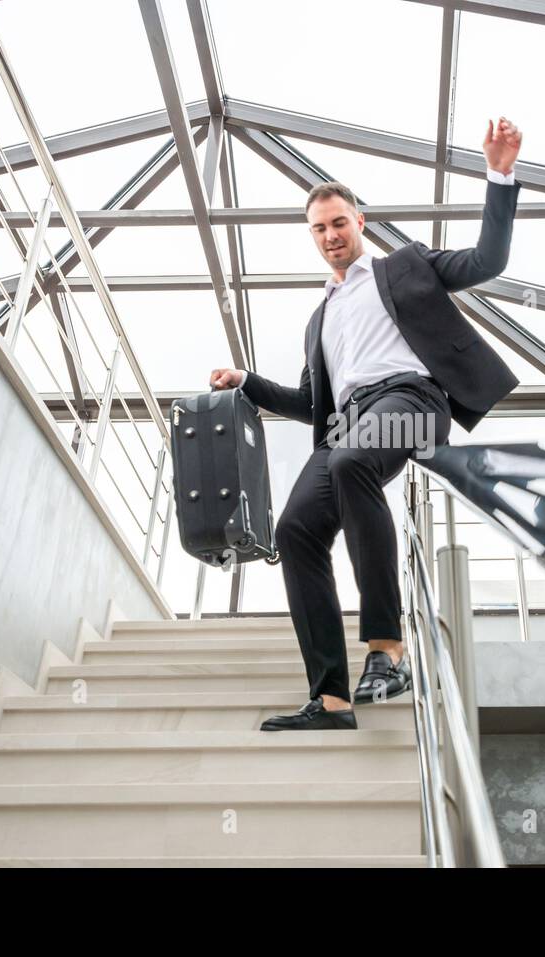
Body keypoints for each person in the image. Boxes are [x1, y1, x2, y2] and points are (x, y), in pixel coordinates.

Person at [209, 117, 522, 730]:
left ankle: (388, 650)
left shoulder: (405, 268)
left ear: (360, 224)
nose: (330, 235)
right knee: (295, 530)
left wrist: (500, 174)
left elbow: (489, 260)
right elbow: (311, 402)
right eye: (319, 229)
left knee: (354, 461)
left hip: (412, 402)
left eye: (339, 223)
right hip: (346, 424)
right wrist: (247, 380)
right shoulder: (318, 319)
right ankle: (330, 700)